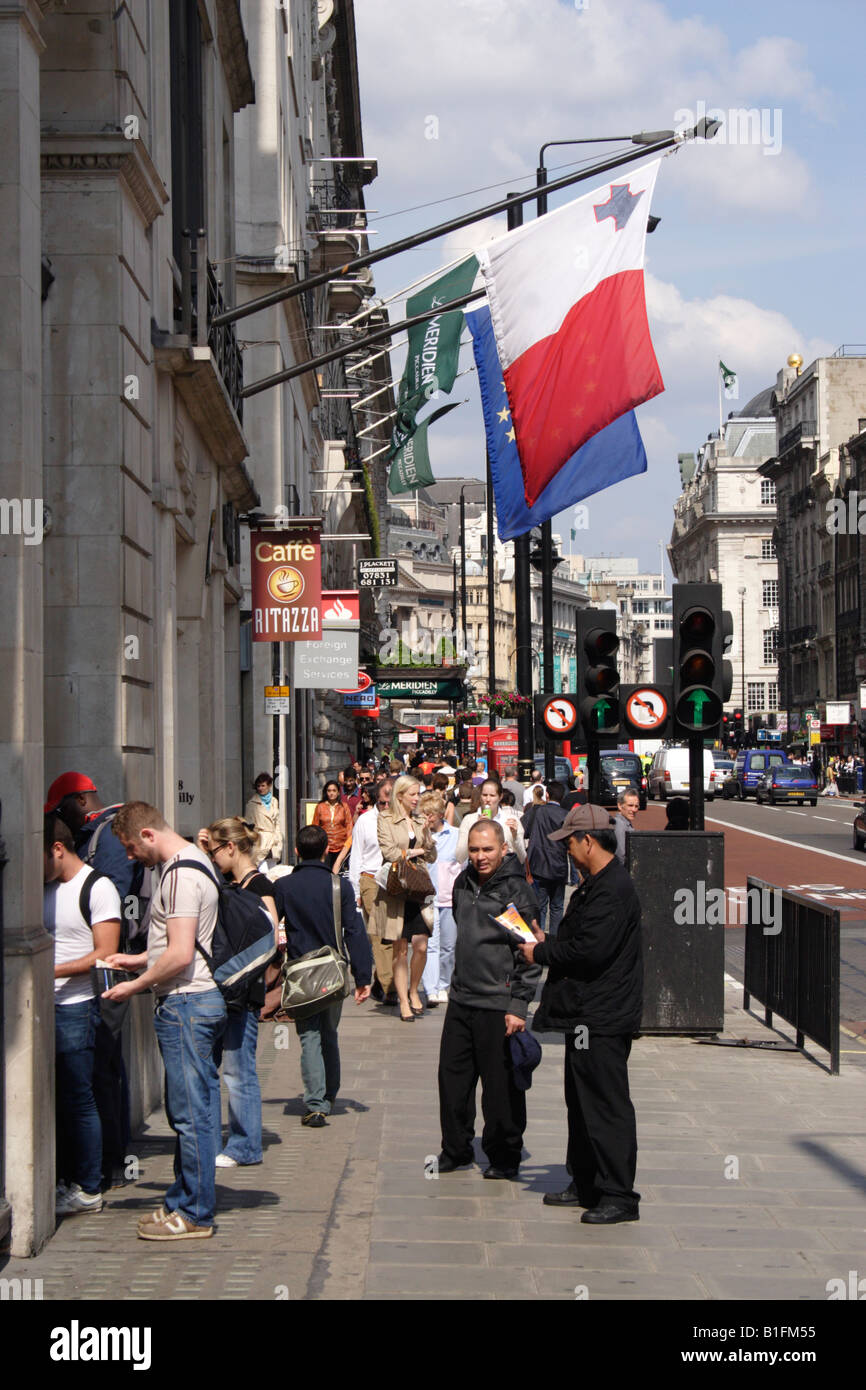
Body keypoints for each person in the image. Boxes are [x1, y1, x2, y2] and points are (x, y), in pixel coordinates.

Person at [102, 802, 227, 1241]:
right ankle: (182, 1199)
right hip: (193, 1002)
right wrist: (137, 960)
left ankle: (195, 1213)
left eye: (132, 849)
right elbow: (178, 943)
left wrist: (134, 986)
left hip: (186, 1005)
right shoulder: (194, 862)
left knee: (190, 1113)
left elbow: (180, 954)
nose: (132, 858)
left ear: (149, 835)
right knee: (190, 1110)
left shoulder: (178, 875)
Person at [518, 804, 643, 1224]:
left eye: (569, 843)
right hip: (585, 1014)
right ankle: (586, 1180)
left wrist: (541, 951)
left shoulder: (613, 889)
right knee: (580, 1098)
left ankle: (619, 1194)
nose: (566, 852)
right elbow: (582, 940)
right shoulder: (596, 884)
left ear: (588, 841)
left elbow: (590, 952)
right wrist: (546, 938)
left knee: (605, 1102)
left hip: (603, 1016)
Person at [44, 770, 142, 1192]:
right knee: (84, 1082)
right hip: (72, 993)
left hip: (100, 988)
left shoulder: (103, 857)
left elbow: (107, 937)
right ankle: (92, 1166)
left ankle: (108, 1166)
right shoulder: (83, 846)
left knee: (100, 1075)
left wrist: (54, 970)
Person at [437, 820, 542, 1179]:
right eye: (475, 849)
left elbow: (528, 954)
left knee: (500, 1089)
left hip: (498, 1004)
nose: (480, 857)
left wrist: (518, 1007)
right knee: (453, 1081)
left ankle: (503, 1155)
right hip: (462, 999)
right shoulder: (463, 884)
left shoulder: (513, 892)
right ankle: (455, 1148)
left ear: (503, 850)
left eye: (488, 850)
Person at [44, 816, 121, 1216]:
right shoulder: (41, 888)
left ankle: (89, 1187)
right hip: (40, 1007)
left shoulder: (98, 887)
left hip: (77, 1007)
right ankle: (65, 1177)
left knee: (79, 1096)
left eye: (41, 858)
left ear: (58, 849)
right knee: (55, 1098)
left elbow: (104, 952)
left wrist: (49, 970)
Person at [271, 826, 372, 1125]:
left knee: (309, 1036)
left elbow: (268, 926)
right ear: (327, 850)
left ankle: (315, 1103)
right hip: (334, 971)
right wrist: (363, 977)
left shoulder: (285, 886)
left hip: (301, 973)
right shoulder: (340, 886)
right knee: (329, 1033)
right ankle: (329, 1094)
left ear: (297, 851)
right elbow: (355, 932)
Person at [196, 818, 278, 1168]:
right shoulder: (230, 881)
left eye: (215, 851)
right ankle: (215, 1142)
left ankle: (245, 1145)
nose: (213, 858)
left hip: (241, 992)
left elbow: (271, 937)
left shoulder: (259, 885)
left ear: (231, 847)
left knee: (238, 1069)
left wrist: (237, 977)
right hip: (226, 991)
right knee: (217, 1067)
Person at [377, 775, 437, 1023]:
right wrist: (415, 851)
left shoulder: (421, 819)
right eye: (412, 794)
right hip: (397, 887)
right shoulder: (386, 818)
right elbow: (389, 852)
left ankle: (414, 990)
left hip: (418, 886)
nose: (416, 799)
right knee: (400, 948)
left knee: (421, 944)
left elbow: (432, 856)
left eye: (418, 794)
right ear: (399, 795)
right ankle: (403, 1000)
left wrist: (428, 838)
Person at [347, 779, 396, 1003]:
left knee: (394, 937)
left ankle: (380, 981)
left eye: (390, 802)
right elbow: (356, 856)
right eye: (383, 802)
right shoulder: (366, 821)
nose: (387, 807)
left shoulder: (401, 820)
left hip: (396, 881)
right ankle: (390, 989)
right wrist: (355, 890)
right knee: (379, 937)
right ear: (377, 799)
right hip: (371, 881)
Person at [418, 791, 461, 1007]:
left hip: (450, 899)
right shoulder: (420, 836)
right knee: (429, 946)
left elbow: (463, 863)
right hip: (427, 899)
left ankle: (444, 984)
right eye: (424, 813)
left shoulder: (455, 834)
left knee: (449, 946)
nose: (428, 818)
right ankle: (431, 988)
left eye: (430, 814)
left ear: (439, 814)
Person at [524, 780, 568, 937]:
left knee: (540, 906)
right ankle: (555, 939)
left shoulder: (538, 811)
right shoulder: (566, 816)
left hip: (538, 865)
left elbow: (524, 830)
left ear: (547, 795)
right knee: (557, 906)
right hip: (559, 866)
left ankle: (539, 939)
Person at [455, 779, 526, 865]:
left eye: (492, 795)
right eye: (484, 795)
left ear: (500, 797)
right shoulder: (469, 820)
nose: (488, 799)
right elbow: (459, 857)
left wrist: (515, 837)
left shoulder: (510, 820)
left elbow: (522, 858)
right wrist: (474, 829)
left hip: (505, 873)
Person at [312, 779, 353, 872]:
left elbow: (349, 826)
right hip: (325, 847)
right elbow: (315, 827)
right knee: (324, 872)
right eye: (329, 791)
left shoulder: (344, 806)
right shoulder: (320, 806)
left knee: (339, 873)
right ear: (326, 792)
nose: (331, 793)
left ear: (338, 792)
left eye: (334, 791)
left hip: (341, 847)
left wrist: (347, 846)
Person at [244, 773, 283, 869]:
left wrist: (278, 839)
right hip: (261, 842)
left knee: (272, 872)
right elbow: (249, 826)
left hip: (273, 843)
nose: (260, 788)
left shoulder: (274, 801)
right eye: (258, 786)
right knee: (262, 871)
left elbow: (277, 823)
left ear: (269, 786)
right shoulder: (251, 804)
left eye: (263, 785)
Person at [613, 789, 640, 865]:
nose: (634, 809)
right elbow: (621, 855)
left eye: (636, 806)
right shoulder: (619, 824)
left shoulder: (625, 823)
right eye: (630, 805)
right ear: (620, 806)